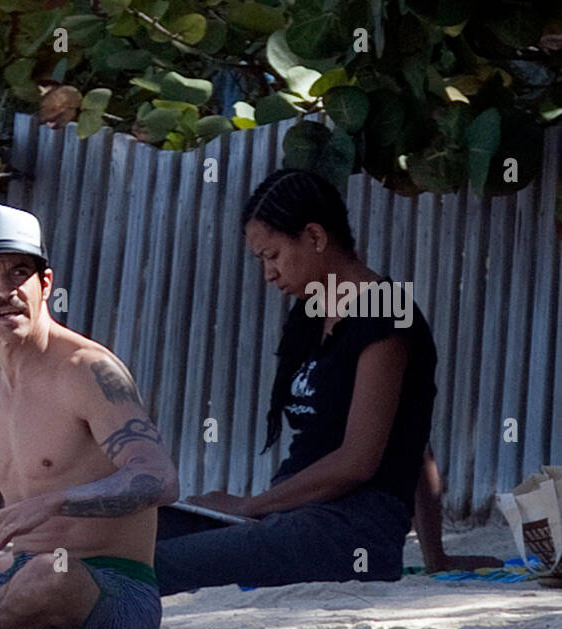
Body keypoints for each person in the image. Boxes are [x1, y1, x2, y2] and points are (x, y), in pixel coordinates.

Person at [154, 168, 483, 593]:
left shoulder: (387, 313)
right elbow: (414, 439)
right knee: (140, 529)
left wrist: (249, 506)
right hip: (293, 517)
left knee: (158, 564)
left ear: (314, 236)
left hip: (352, 532)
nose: (268, 273)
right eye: (261, 261)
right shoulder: (312, 314)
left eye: (272, 255)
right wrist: (436, 555)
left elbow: (358, 461)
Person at [0, 205, 177, 629]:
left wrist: (56, 502)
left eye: (19, 273)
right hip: (16, 585)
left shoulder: (89, 370)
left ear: (45, 285)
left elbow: (159, 478)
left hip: (112, 590)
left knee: (47, 574)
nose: (6, 291)